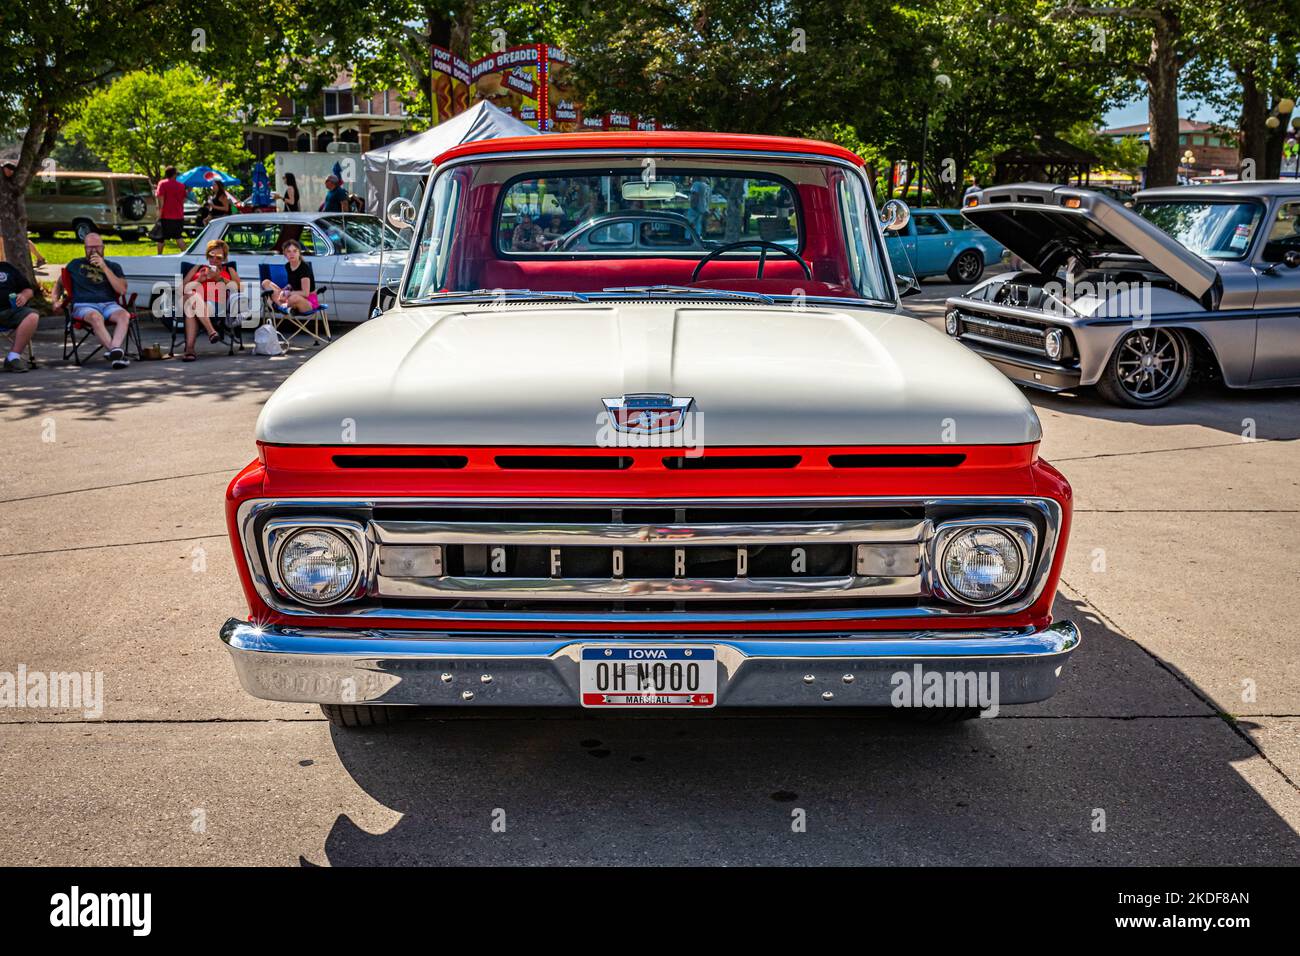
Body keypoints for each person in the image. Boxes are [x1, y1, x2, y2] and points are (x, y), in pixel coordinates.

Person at [53, 233, 132, 369]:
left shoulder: (113, 266)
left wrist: (104, 268)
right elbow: (59, 284)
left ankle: (114, 352)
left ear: (103, 248)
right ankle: (116, 352)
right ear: (84, 249)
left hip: (109, 304)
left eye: (97, 247)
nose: (93, 251)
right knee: (96, 317)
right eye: (89, 248)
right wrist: (55, 301)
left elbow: (122, 290)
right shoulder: (75, 264)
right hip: (84, 305)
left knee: (124, 315)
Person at [180, 239, 239, 362]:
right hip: (192, 299)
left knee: (191, 309)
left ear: (224, 258)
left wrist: (219, 278)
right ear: (207, 255)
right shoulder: (198, 268)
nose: (214, 260)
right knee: (191, 294)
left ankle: (190, 350)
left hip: (215, 304)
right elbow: (182, 288)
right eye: (211, 256)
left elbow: (238, 287)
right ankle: (211, 331)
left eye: (218, 257)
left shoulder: (229, 270)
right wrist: (199, 281)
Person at [0, 259, 39, 373]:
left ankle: (13, 357)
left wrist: (23, 296)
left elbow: (28, 289)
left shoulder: (7, 268)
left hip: (10, 312)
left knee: (32, 316)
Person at [261, 238, 318, 314]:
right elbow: (292, 283)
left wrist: (289, 293)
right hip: (291, 298)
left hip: (308, 302)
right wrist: (284, 290)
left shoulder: (304, 268)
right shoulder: (288, 266)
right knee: (266, 282)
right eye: (288, 251)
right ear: (285, 254)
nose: (292, 254)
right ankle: (285, 307)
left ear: (299, 253)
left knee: (293, 298)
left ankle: (281, 305)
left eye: (295, 251)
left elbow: (305, 293)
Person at [154, 166, 188, 254]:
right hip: (179, 216)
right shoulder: (181, 185)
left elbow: (161, 200)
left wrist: (159, 215)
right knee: (178, 237)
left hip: (166, 216)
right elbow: (183, 200)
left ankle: (159, 255)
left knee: (161, 238)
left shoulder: (162, 184)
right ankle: (186, 254)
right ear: (174, 174)